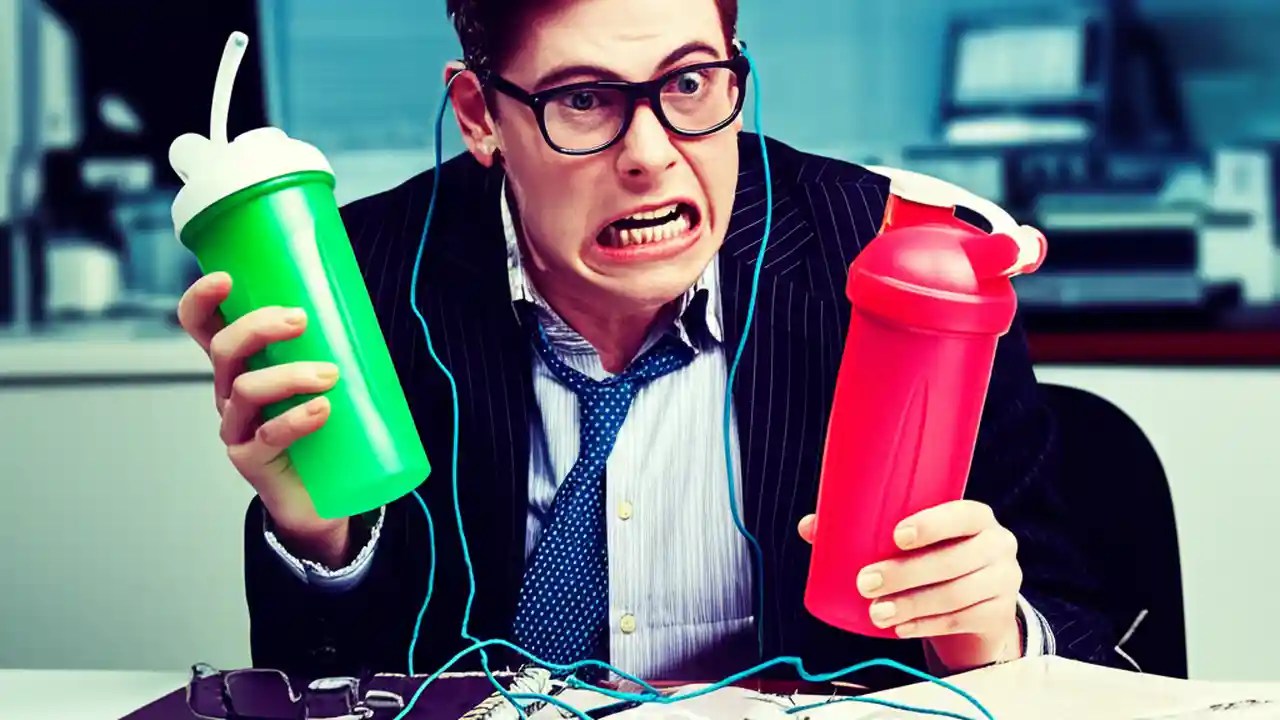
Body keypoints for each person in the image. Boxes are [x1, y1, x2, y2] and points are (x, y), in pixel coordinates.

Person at [176, 0, 1116, 685]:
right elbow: (314, 686)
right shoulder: (359, 285)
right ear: (477, 116)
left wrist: (989, 629)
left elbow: (1094, 640)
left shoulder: (900, 265)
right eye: (583, 99)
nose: (652, 152)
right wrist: (321, 539)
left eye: (691, 82)